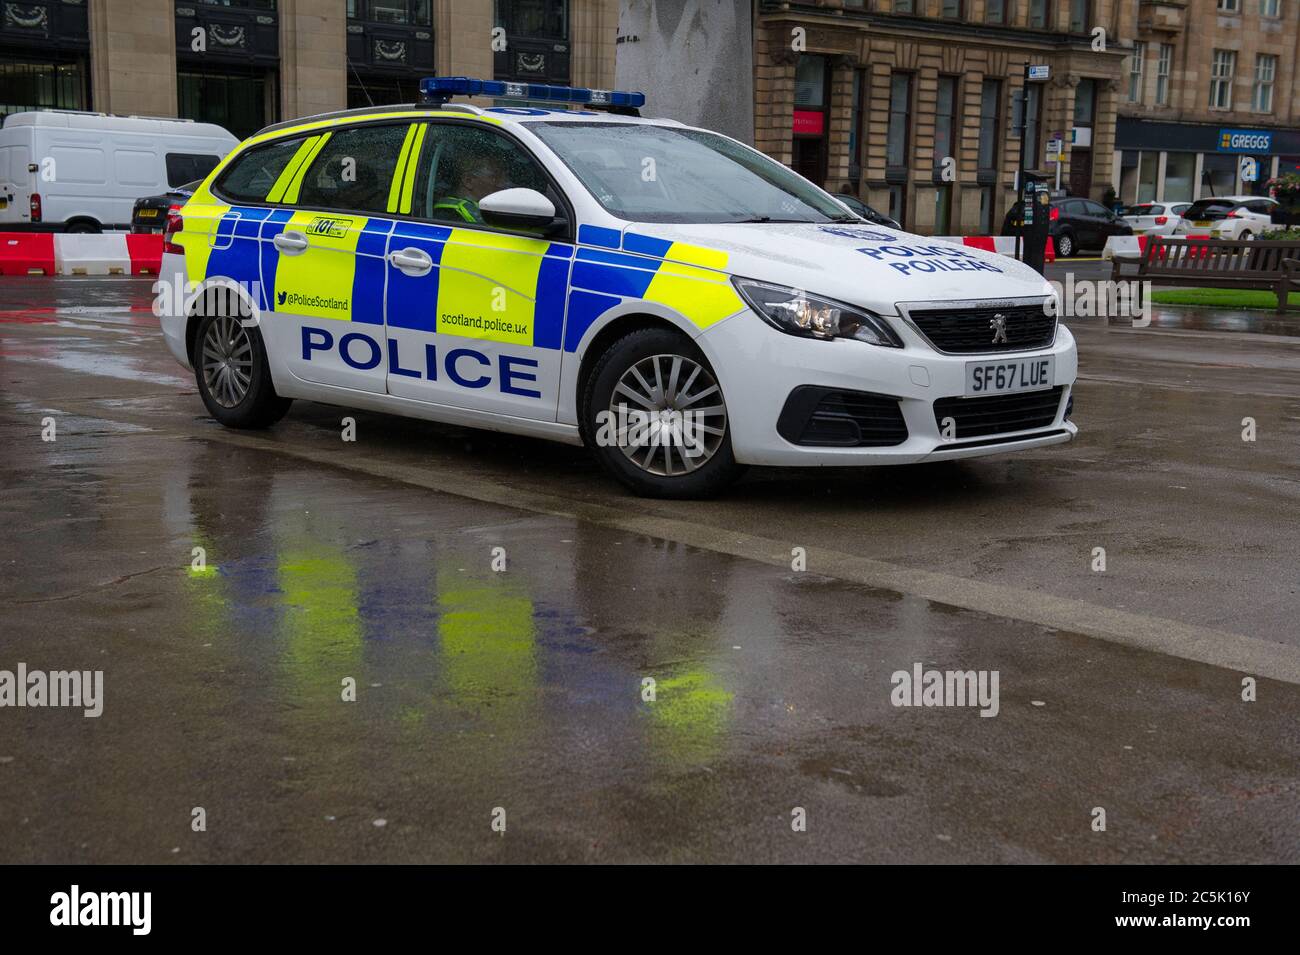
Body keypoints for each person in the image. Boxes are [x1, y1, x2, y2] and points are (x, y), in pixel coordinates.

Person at [432, 151, 512, 224]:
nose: (505, 183)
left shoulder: (480, 208)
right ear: (468, 181)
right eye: (496, 176)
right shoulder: (449, 216)